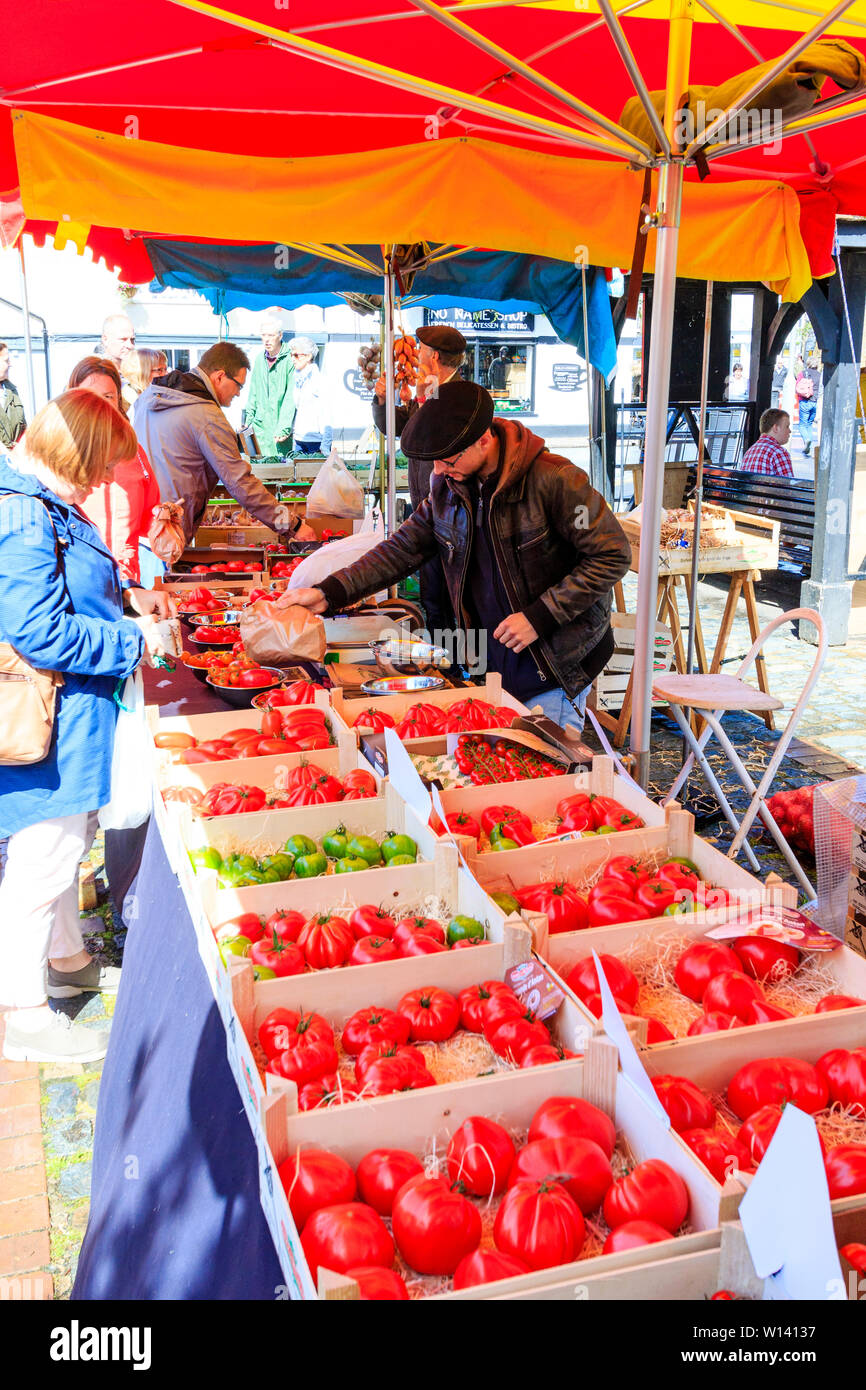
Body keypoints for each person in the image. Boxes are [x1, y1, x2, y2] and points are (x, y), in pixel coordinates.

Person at [282, 380, 631, 730]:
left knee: (546, 762)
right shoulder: (447, 487)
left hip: (552, 661)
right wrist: (329, 592)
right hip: (492, 657)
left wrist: (541, 616)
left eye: (446, 460)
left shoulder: (556, 480)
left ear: (484, 440)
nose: (437, 471)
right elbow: (402, 547)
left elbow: (612, 554)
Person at [0, 390, 174, 1063]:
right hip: (51, 716)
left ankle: (66, 958)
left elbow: (70, 597)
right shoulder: (22, 514)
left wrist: (122, 605)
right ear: (76, 455)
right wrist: (130, 641)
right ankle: (23, 1015)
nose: (106, 481)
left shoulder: (39, 505)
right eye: (101, 466)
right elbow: (40, 631)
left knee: (63, 847)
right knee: (45, 859)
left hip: (69, 713)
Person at [133, 341, 315, 545]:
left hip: (140, 525)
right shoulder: (207, 417)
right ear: (219, 376)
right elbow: (241, 484)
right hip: (168, 532)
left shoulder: (148, 397)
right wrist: (293, 525)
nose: (238, 393)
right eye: (239, 385)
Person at [371, 325, 467, 632]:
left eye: (422, 351)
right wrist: (384, 403)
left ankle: (465, 668)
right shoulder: (429, 389)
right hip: (427, 509)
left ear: (435, 356)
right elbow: (399, 428)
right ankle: (447, 664)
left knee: (452, 599)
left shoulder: (455, 395)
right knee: (433, 597)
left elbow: (427, 431)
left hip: (450, 513)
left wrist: (423, 395)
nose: (417, 357)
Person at [67, 357, 161, 585]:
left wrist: (166, 521)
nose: (100, 404)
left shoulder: (133, 451)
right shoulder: (64, 453)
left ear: (118, 399)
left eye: (108, 396)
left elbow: (151, 511)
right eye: (90, 395)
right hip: (81, 577)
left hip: (127, 577)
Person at [244, 314, 296, 457]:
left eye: (271, 335)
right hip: (260, 428)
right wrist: (247, 421)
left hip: (280, 429)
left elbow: (290, 396)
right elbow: (253, 392)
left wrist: (284, 427)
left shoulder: (290, 359)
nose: (266, 339)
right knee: (261, 471)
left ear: (280, 336)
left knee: (282, 471)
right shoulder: (260, 360)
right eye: (263, 335)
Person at [287, 336, 332, 455]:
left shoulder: (318, 379)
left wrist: (325, 445)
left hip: (316, 442)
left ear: (308, 356)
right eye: (291, 355)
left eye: (296, 355)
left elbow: (326, 413)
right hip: (299, 439)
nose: (293, 359)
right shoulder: (297, 378)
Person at [739, 408, 794, 477]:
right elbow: (788, 485)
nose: (789, 431)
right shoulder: (779, 452)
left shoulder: (750, 452)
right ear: (776, 428)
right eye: (787, 426)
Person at [0, 342, 26, 446]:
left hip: (15, 457)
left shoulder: (12, 390)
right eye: (6, 360)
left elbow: (24, 428)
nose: (10, 364)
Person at [796, 352, 820, 457]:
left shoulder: (802, 373)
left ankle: (807, 440)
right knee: (809, 424)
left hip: (804, 401)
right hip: (814, 402)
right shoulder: (820, 375)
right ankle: (808, 444)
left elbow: (797, 387)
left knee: (802, 424)